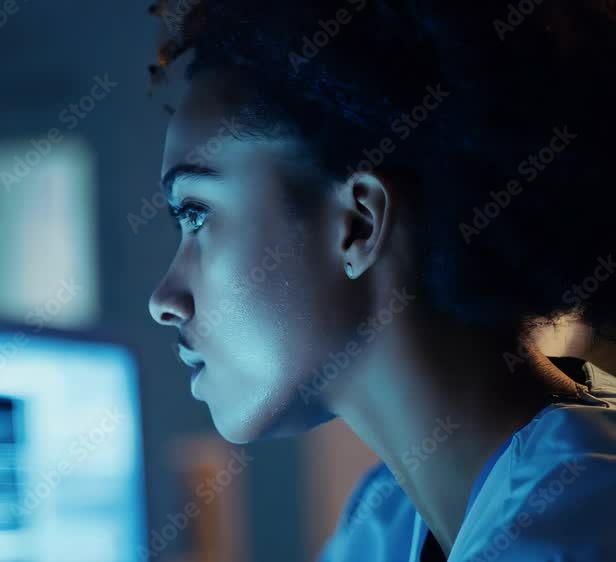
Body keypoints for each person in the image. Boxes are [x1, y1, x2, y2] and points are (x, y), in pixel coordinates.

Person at [143, 1, 616, 561]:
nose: (163, 301)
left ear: (358, 224)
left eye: (196, 214)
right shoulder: (384, 518)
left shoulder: (574, 532)